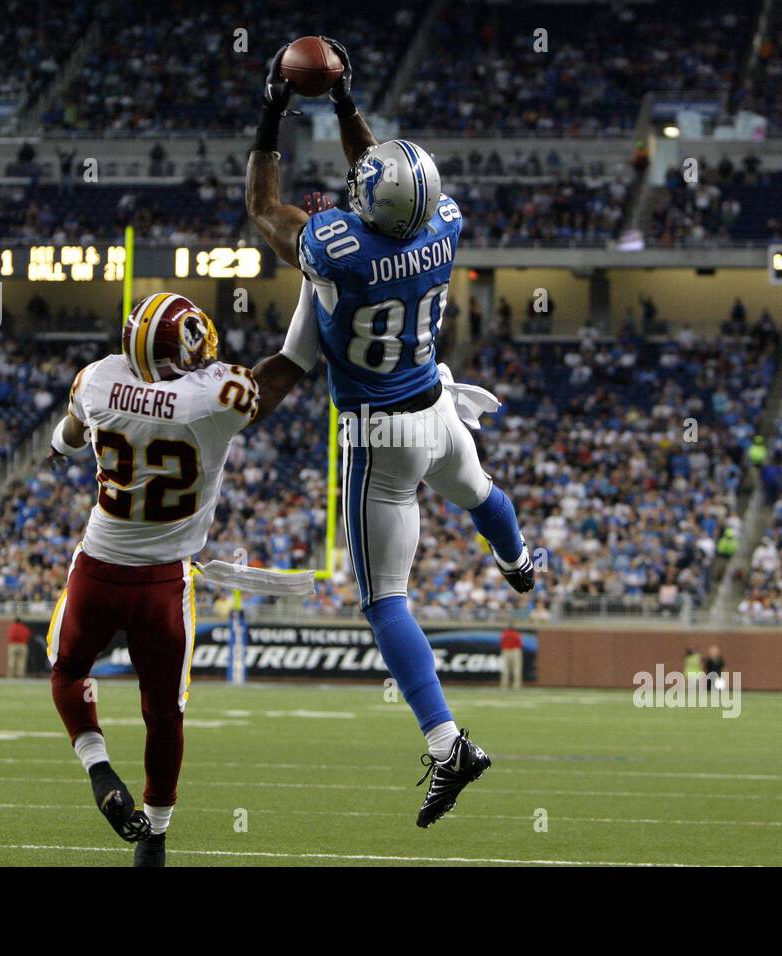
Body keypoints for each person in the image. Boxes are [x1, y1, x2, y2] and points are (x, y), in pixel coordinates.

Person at [245, 37, 533, 828]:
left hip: (380, 435)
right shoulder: (442, 223)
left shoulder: (337, 254)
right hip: (438, 407)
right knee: (479, 490)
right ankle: (517, 560)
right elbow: (381, 178)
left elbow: (266, 211)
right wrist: (342, 104)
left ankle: (449, 747)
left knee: (384, 600)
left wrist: (275, 108)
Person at [46, 290, 313, 866]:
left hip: (98, 566)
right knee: (163, 710)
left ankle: (98, 770)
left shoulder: (94, 380)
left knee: (68, 670)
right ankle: (156, 834)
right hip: (163, 585)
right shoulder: (209, 399)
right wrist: (316, 292)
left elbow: (67, 437)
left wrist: (58, 447)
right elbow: (285, 367)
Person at [499, 624, 523, 690]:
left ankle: (504, 685)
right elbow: (520, 643)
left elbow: (501, 642)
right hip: (515, 651)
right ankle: (516, 685)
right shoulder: (516, 634)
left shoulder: (504, 634)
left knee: (505, 669)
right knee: (516, 669)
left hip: (506, 651)